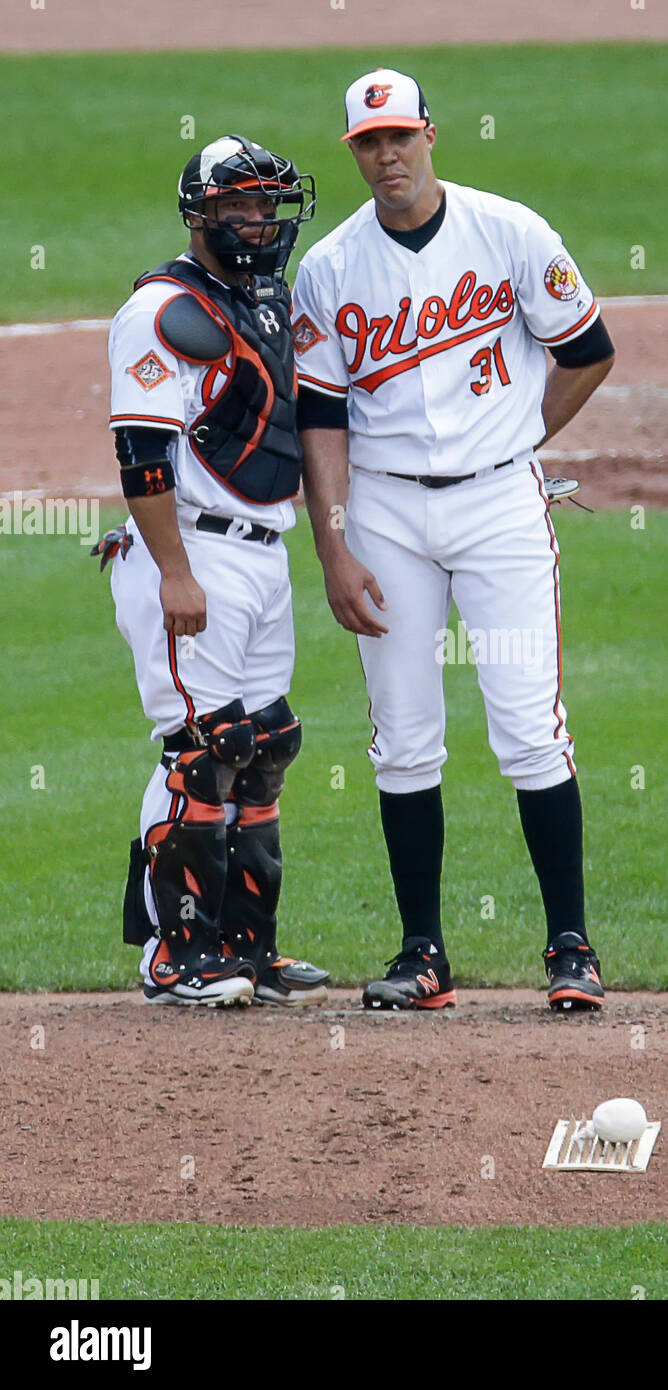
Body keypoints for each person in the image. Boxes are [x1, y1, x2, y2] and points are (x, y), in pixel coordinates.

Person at [292, 70, 615, 1012]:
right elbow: (321, 418)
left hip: (500, 511)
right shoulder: (332, 266)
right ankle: (422, 954)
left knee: (528, 726)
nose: (386, 155)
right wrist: (335, 546)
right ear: (353, 152)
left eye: (399, 136)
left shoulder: (510, 232)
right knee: (403, 739)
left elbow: (588, 351)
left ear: (429, 134)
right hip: (384, 514)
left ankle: (570, 947)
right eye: (367, 143)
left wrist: (517, 438)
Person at [95, 134, 330, 1007]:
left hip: (264, 555)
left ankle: (245, 947)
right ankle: (173, 954)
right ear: (201, 215)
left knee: (262, 750)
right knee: (202, 753)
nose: (258, 222)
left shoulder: (265, 300)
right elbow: (142, 454)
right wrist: (174, 573)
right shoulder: (160, 312)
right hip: (194, 555)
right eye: (240, 207)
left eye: (268, 205)